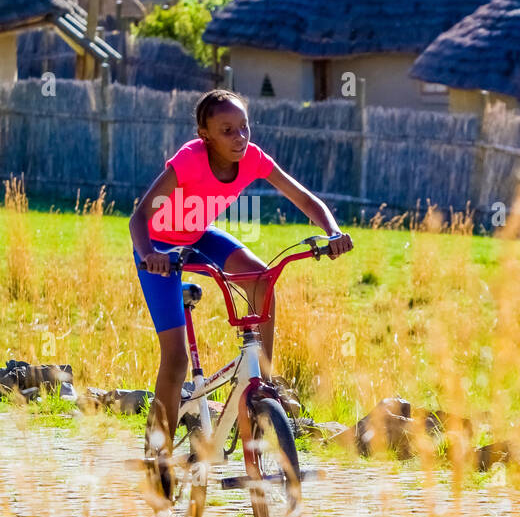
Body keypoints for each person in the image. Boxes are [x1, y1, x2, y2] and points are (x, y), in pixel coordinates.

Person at [128, 89, 353, 465]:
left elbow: (303, 197)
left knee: (262, 280)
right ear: (206, 134)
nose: (240, 138)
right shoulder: (189, 160)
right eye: (228, 130)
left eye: (244, 128)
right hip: (159, 248)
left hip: (198, 234)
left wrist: (332, 231)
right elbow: (138, 218)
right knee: (176, 359)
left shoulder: (252, 159)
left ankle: (261, 381)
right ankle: (158, 450)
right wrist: (151, 255)